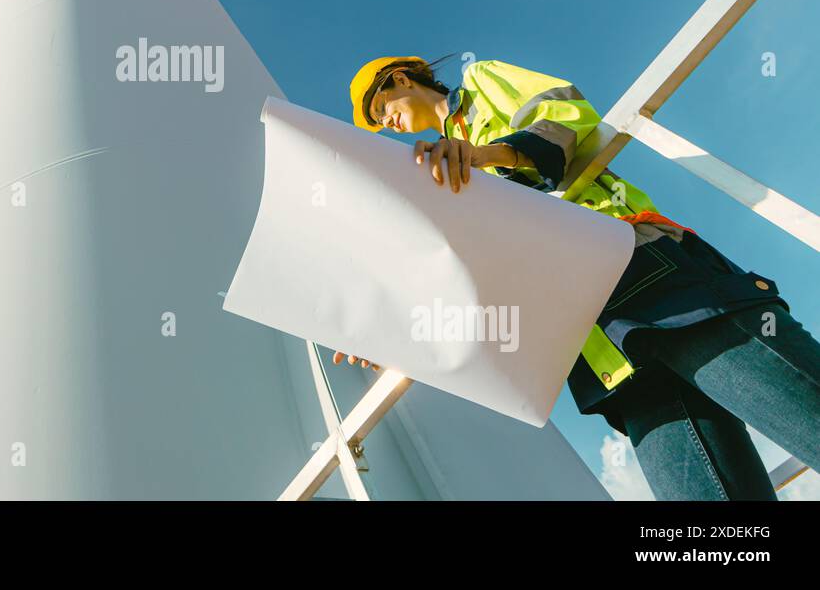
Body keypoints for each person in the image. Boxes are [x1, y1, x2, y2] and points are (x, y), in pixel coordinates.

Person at [337, 53, 820, 500]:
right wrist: (390, 331)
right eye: (381, 125)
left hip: (647, 276)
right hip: (596, 347)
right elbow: (460, 267)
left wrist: (489, 156)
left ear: (400, 79)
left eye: (383, 111)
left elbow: (565, 110)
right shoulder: (432, 177)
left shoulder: (480, 82)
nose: (389, 126)